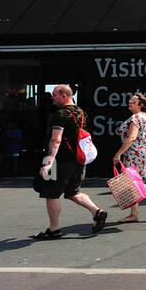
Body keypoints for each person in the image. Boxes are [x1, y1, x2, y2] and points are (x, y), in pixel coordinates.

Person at [34, 84, 106, 239]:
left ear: (63, 95)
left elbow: (56, 139)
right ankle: (97, 212)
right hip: (79, 159)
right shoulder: (82, 113)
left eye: (54, 94)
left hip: (60, 160)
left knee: (51, 193)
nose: (52, 97)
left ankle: (54, 229)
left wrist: (48, 162)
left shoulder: (61, 114)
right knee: (73, 191)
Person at [113, 93, 146, 220]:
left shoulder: (136, 118)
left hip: (134, 154)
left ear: (141, 105)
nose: (130, 102)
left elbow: (132, 138)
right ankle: (134, 213)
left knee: (133, 181)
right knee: (135, 181)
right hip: (145, 154)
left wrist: (118, 154)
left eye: (133, 101)